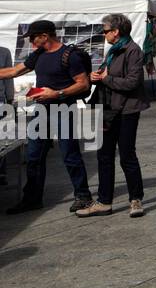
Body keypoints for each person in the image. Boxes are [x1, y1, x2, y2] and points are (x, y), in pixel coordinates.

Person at [0, 21, 94, 214]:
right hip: (41, 110)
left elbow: (83, 84)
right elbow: (15, 71)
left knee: (70, 154)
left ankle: (83, 196)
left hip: (63, 109)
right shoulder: (39, 54)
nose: (31, 42)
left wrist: (57, 94)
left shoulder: (70, 55)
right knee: (34, 156)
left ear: (45, 35)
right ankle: (32, 198)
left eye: (33, 38)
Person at [78, 13, 149, 218]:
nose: (104, 34)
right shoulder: (114, 50)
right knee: (105, 155)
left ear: (116, 32)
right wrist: (95, 77)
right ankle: (104, 201)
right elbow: (105, 74)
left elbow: (132, 82)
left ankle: (136, 199)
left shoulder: (133, 50)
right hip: (108, 107)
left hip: (127, 109)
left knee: (127, 155)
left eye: (106, 30)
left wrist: (106, 79)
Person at [0, 43, 12, 186]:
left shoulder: (4, 52)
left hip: (1, 101)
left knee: (2, 140)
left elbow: (9, 76)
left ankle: (1, 173)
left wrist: (10, 98)